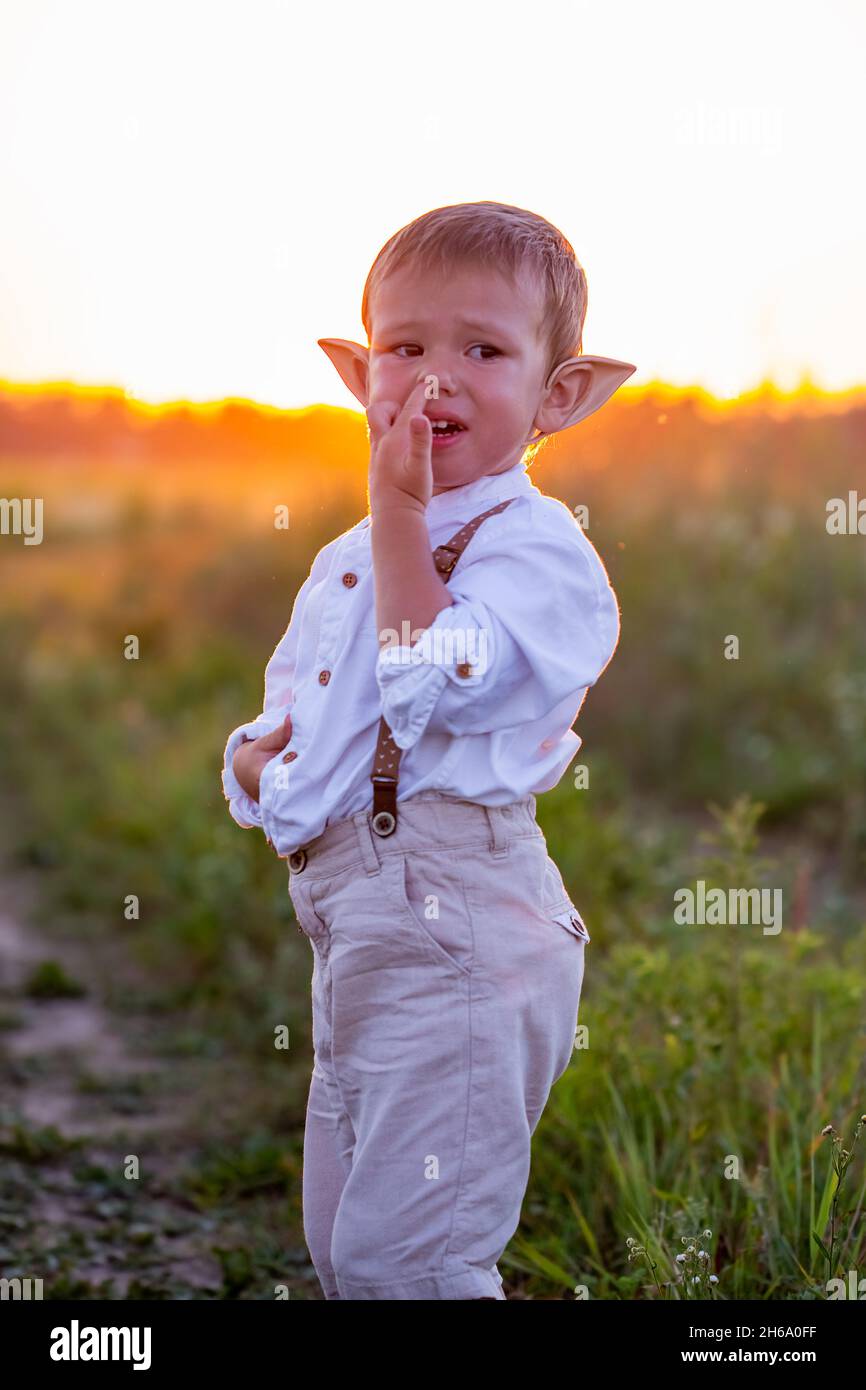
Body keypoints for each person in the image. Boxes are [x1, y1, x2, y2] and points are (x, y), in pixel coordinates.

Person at [221, 201, 635, 1300]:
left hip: (464, 931)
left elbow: (431, 667)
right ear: (363, 376)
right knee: (344, 1249)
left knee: (413, 1262)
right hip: (356, 937)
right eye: (405, 348)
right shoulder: (350, 554)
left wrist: (401, 510)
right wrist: (262, 770)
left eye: (481, 349)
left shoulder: (535, 550)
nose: (434, 378)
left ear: (557, 394)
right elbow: (311, 717)